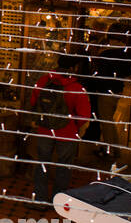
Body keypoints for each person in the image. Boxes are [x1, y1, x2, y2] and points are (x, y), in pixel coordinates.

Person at [28, 57, 91, 202]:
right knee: (64, 166)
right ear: (74, 68)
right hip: (67, 132)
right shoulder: (76, 88)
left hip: (44, 129)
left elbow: (33, 102)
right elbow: (84, 115)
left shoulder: (43, 81)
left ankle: (39, 199)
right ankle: (59, 201)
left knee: (42, 164)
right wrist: (75, 126)